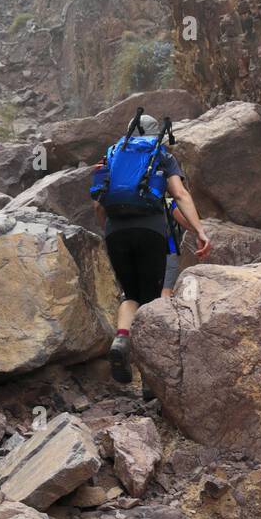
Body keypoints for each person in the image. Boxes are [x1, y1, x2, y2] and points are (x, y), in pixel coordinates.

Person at [92, 115, 211, 384]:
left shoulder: (113, 153)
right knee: (154, 300)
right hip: (151, 231)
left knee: (130, 294)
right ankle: (150, 380)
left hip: (116, 231)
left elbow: (98, 203)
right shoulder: (161, 154)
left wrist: (108, 230)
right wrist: (200, 230)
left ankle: (121, 340)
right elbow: (179, 195)